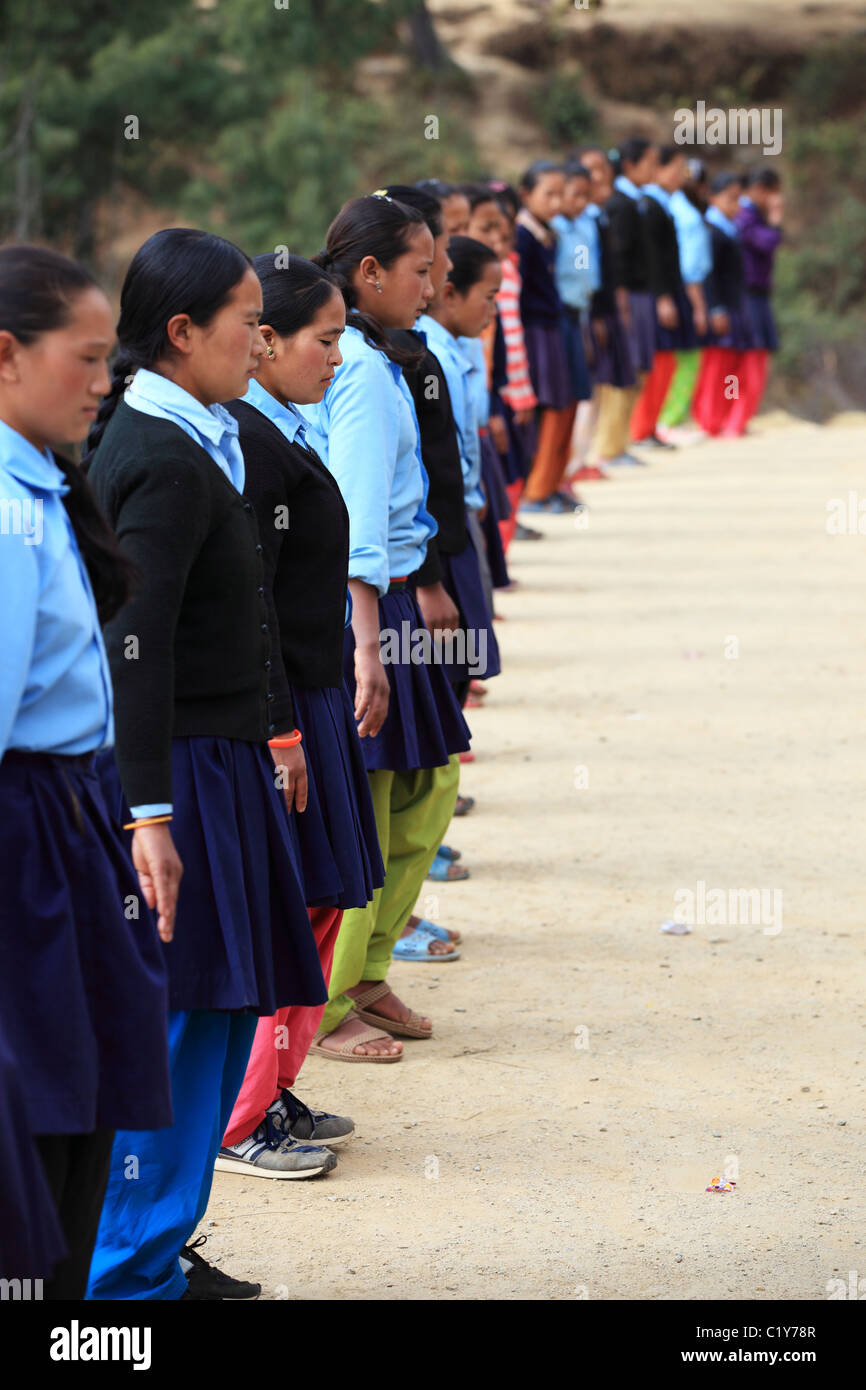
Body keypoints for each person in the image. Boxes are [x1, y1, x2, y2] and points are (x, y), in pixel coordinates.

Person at [84, 228, 327, 1299]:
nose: (260, 337)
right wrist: (148, 813)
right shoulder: (158, 458)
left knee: (222, 1006)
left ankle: (159, 1242)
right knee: (180, 1015)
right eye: (247, 321)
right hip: (178, 769)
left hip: (218, 760)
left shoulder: (203, 433)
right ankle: (126, 1269)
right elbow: (133, 652)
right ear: (182, 333)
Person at [0, 245, 173, 1298]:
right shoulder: (9, 518)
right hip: (25, 829)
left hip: (69, 813)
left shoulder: (40, 484)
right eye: (87, 357)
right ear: (7, 354)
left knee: (83, 1094)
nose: (104, 382)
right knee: (45, 1105)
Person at [218, 253, 390, 1166]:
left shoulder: (286, 428)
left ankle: (273, 1089)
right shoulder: (248, 441)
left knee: (320, 899)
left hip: (314, 694)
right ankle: (241, 1118)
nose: (338, 358)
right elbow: (255, 605)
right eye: (326, 340)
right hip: (287, 704)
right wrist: (283, 726)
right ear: (267, 341)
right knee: (296, 904)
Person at [299, 194, 470, 1061]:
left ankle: (366, 968)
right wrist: (367, 641)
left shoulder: (385, 355)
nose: (434, 283)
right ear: (370, 274)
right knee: (370, 801)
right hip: (374, 602)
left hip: (397, 593)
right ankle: (330, 1003)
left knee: (424, 785)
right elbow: (360, 517)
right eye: (420, 269)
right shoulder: (361, 369)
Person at [516, 160, 583, 513]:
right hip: (533, 331)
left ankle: (551, 483)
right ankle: (535, 491)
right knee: (545, 407)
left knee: (561, 404)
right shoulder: (522, 236)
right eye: (549, 194)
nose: (557, 203)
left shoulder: (548, 234)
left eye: (561, 194)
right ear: (526, 195)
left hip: (552, 327)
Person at [574, 144, 640, 469]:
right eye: (591, 169)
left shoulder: (598, 215)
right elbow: (583, 275)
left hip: (606, 308)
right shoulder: (576, 222)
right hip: (587, 313)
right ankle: (582, 460)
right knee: (589, 388)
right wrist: (595, 313)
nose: (600, 176)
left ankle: (595, 455)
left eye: (603, 168)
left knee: (610, 380)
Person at [630, 146, 695, 447]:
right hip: (660, 295)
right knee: (656, 363)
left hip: (670, 290)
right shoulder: (648, 206)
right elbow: (652, 258)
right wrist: (662, 297)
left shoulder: (664, 204)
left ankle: (652, 426)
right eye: (676, 168)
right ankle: (641, 428)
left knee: (668, 362)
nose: (681, 176)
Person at [605, 138, 659, 459]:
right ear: (629, 165)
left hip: (641, 293)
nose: (654, 169)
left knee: (638, 369)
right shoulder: (620, 204)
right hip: (629, 296)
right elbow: (620, 258)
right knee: (626, 368)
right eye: (649, 162)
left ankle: (621, 442)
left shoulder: (635, 201)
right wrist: (621, 301)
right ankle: (611, 446)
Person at [550, 162, 602, 480]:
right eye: (573, 194)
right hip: (557, 318)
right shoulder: (552, 230)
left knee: (580, 391)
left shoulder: (584, 227)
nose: (580, 202)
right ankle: (552, 473)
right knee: (562, 395)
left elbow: (587, 275)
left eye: (586, 195)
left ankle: (573, 464)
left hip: (580, 314)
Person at [692, 174, 752, 437]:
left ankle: (727, 417)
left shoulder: (729, 229)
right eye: (731, 199)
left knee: (732, 368)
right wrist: (714, 307)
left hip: (734, 305)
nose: (736, 206)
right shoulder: (712, 232)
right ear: (713, 197)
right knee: (717, 367)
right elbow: (708, 274)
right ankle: (709, 419)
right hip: (721, 308)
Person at [658, 158, 711, 435]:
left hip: (680, 287)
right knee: (687, 357)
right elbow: (690, 267)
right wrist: (699, 306)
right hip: (685, 289)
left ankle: (671, 417)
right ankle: (669, 418)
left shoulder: (678, 207)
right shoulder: (686, 214)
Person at [734, 167, 783, 432]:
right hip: (747, 295)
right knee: (749, 358)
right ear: (763, 190)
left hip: (755, 294)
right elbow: (765, 243)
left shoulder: (751, 214)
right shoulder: (745, 215)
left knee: (755, 357)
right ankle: (734, 419)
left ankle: (740, 419)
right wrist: (776, 219)